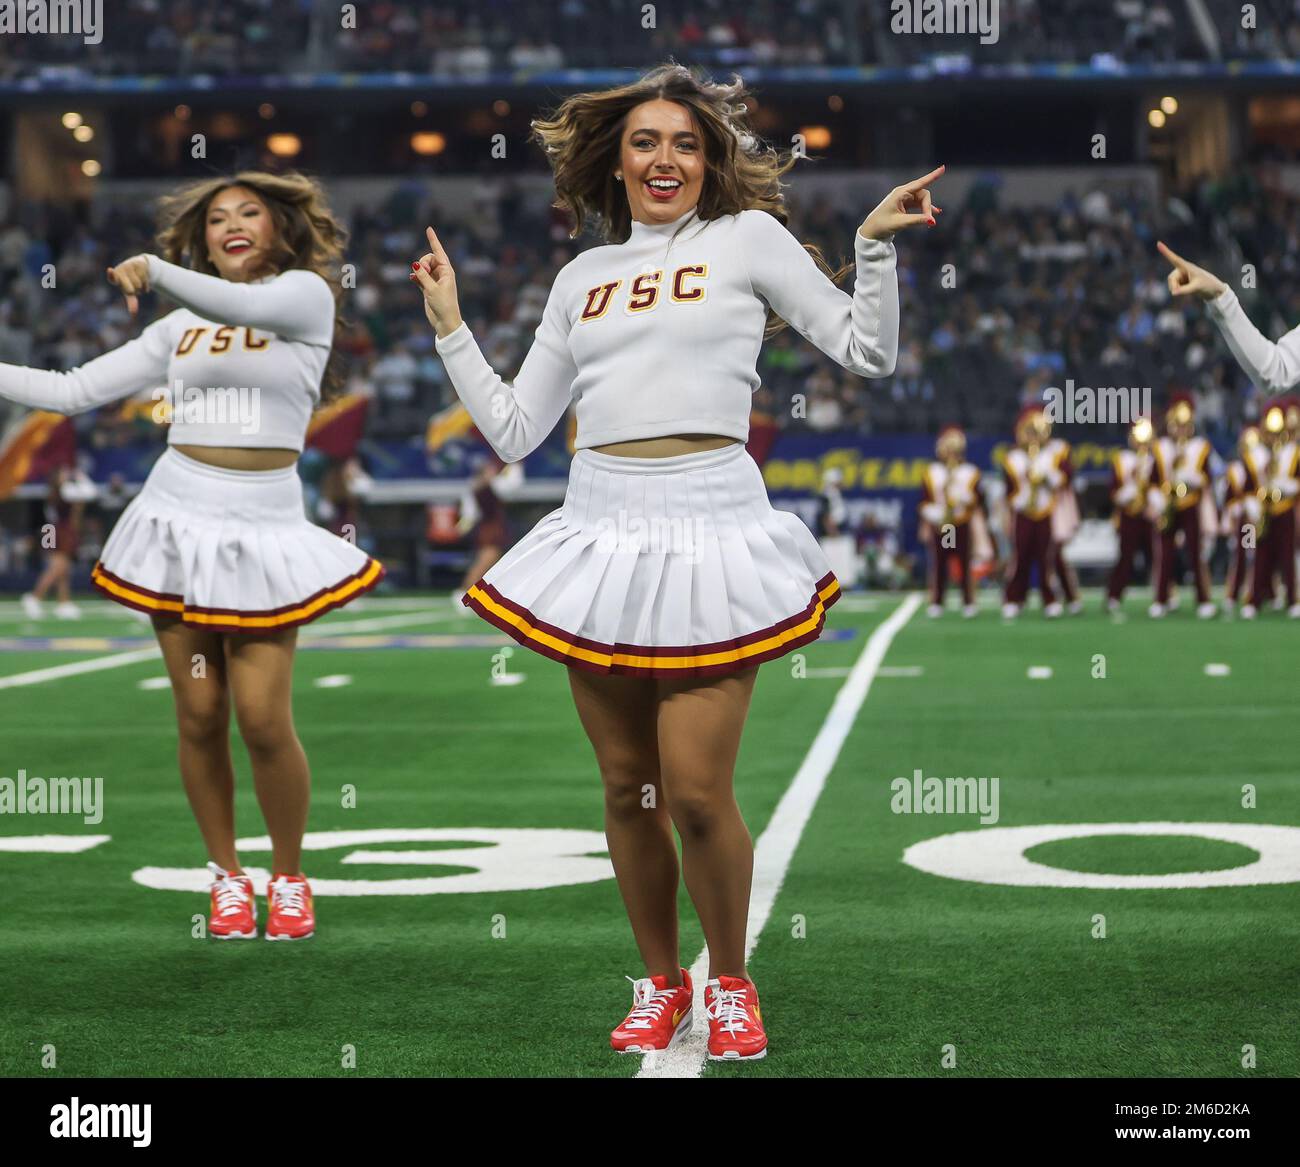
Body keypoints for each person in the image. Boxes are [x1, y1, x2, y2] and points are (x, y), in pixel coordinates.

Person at [413, 62, 938, 1060]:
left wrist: (870, 249)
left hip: (711, 525)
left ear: (712, 161)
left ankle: (729, 979)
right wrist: (450, 330)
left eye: (687, 144)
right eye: (647, 142)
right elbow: (519, 431)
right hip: (599, 528)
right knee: (626, 788)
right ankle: (659, 981)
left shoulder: (747, 240)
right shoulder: (581, 278)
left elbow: (867, 354)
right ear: (615, 159)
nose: (665, 158)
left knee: (694, 791)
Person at [0, 172, 385, 941]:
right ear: (202, 236)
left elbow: (241, 304)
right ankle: (226, 877)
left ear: (280, 229)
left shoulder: (306, 297)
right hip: (176, 518)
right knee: (200, 714)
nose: (232, 224)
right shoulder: (178, 330)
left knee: (264, 718)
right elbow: (72, 389)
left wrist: (158, 267)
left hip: (265, 527)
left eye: (250, 213)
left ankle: (289, 874)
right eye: (216, 218)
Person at [1149, 392, 1217, 619]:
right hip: (1167, 505)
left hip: (1190, 503)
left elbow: (1207, 478)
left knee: (1195, 553)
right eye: (1176, 426)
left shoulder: (1200, 447)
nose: (1180, 430)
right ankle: (1161, 598)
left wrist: (1191, 477)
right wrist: (1159, 500)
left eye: (1184, 425)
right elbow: (1152, 481)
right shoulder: (1160, 447)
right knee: (1165, 554)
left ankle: (1203, 599)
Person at [1001, 403, 1069, 618]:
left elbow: (1065, 480)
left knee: (1046, 557)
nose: (1032, 436)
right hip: (1022, 512)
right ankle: (1014, 598)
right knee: (1020, 556)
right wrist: (1023, 497)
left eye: (1036, 431)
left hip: (1047, 510)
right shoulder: (1013, 458)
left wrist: (1045, 476)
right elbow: (1009, 491)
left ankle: (1050, 598)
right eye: (1028, 431)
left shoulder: (1054, 454)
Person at [919, 425, 984, 617]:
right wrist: (937, 515)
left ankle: (968, 601)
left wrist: (961, 495)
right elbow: (924, 502)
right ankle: (937, 601)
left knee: (964, 562)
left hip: (960, 521)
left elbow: (977, 499)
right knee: (940, 563)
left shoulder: (969, 471)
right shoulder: (932, 471)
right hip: (943, 524)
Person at [1242, 402, 1298, 618]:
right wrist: (1254, 509)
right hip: (1262, 510)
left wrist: (1285, 485)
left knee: (1287, 556)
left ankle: (1293, 599)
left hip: (1285, 507)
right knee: (1259, 557)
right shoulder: (1254, 454)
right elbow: (1247, 489)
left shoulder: (1293, 452)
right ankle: (1253, 600)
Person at [21, 465, 94, 620]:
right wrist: (80, 476)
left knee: (62, 568)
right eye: (63, 473)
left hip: (51, 529)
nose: (66, 475)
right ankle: (35, 597)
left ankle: (63, 602)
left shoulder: (55, 491)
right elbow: (90, 492)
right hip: (61, 530)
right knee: (58, 567)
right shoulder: (66, 490)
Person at [1106, 416, 1159, 612]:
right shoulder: (1122, 459)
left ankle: (1164, 595)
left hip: (1151, 513)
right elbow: (1114, 491)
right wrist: (1133, 483)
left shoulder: (1155, 458)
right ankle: (1114, 595)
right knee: (1125, 557)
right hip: (1129, 514)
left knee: (1157, 557)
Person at [1221, 424, 1260, 613]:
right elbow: (1229, 498)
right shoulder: (1234, 469)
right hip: (1245, 523)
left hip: (1260, 517)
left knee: (1262, 557)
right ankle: (1235, 593)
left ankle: (1266, 593)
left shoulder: (1262, 465)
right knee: (1244, 557)